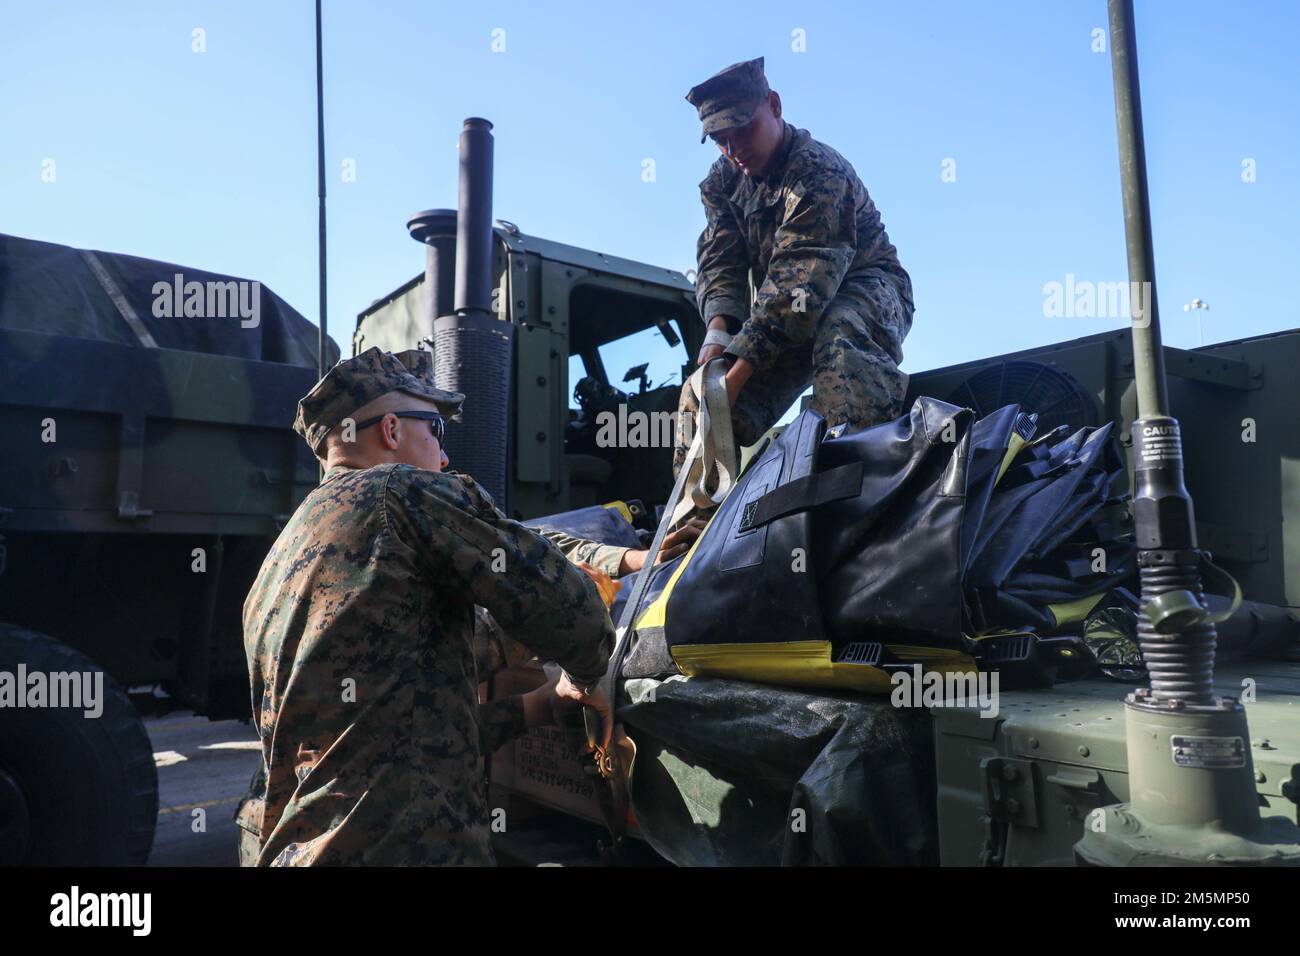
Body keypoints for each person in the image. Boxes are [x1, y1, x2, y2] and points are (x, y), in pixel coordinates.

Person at [238, 347, 694, 866]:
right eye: (436, 429)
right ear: (391, 430)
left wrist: (543, 702)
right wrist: (592, 666)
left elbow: (399, 731)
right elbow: (572, 615)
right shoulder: (400, 491)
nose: (443, 457)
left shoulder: (281, 559)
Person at [676, 56, 915, 477]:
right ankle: (695, 512)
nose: (733, 149)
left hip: (864, 291)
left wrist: (738, 375)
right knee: (701, 393)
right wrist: (717, 337)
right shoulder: (722, 182)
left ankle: (850, 485)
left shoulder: (818, 172)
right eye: (720, 139)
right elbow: (720, 259)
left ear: (774, 105)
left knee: (840, 333)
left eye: (742, 129)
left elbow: (800, 282)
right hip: (784, 317)